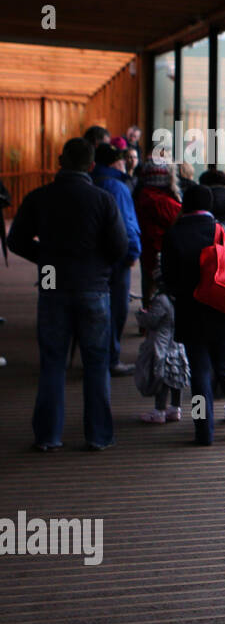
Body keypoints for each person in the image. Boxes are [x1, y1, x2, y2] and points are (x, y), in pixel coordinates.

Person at [6, 137, 127, 451]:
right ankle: (98, 435)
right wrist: (96, 265)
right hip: (94, 286)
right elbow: (119, 247)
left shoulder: (39, 197)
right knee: (97, 364)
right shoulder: (103, 200)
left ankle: (48, 436)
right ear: (90, 165)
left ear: (60, 161)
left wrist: (46, 258)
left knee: (53, 362)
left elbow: (16, 240)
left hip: (51, 283)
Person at [161, 185, 225, 444]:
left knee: (200, 375)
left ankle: (203, 431)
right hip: (221, 308)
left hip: (190, 312)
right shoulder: (221, 229)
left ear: (186, 204)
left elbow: (168, 279)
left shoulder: (174, 233)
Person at [91, 142, 142, 375]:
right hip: (117, 258)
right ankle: (111, 359)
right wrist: (133, 253)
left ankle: (95, 356)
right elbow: (127, 225)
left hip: (92, 257)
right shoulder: (117, 187)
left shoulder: (90, 182)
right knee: (116, 309)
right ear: (114, 162)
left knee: (97, 306)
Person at [133, 266, 188, 424]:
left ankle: (159, 411)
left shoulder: (160, 300)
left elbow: (152, 321)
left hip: (162, 345)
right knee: (176, 377)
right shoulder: (179, 297)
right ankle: (175, 408)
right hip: (178, 343)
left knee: (162, 379)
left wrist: (141, 314)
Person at [134, 160, 182, 307]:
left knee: (148, 288)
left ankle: (146, 323)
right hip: (163, 253)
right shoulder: (166, 203)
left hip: (147, 250)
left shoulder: (141, 197)